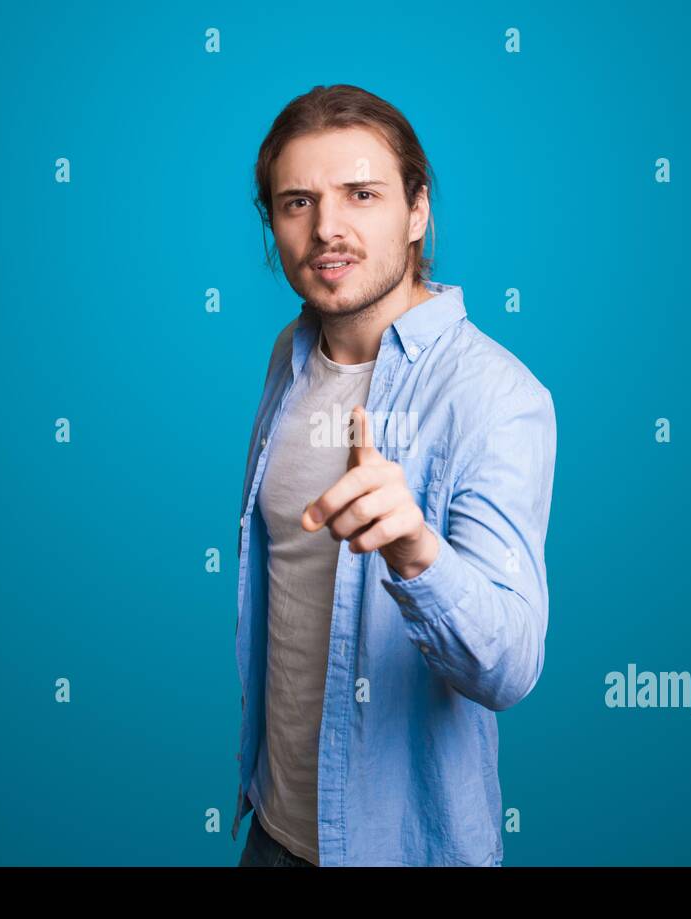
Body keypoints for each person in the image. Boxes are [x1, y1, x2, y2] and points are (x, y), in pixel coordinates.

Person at [233, 84, 557, 866]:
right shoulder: (292, 353)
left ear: (417, 211)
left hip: (401, 849)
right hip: (275, 833)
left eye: (362, 195)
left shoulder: (497, 395)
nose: (327, 230)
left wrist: (415, 549)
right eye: (297, 202)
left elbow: (511, 665)